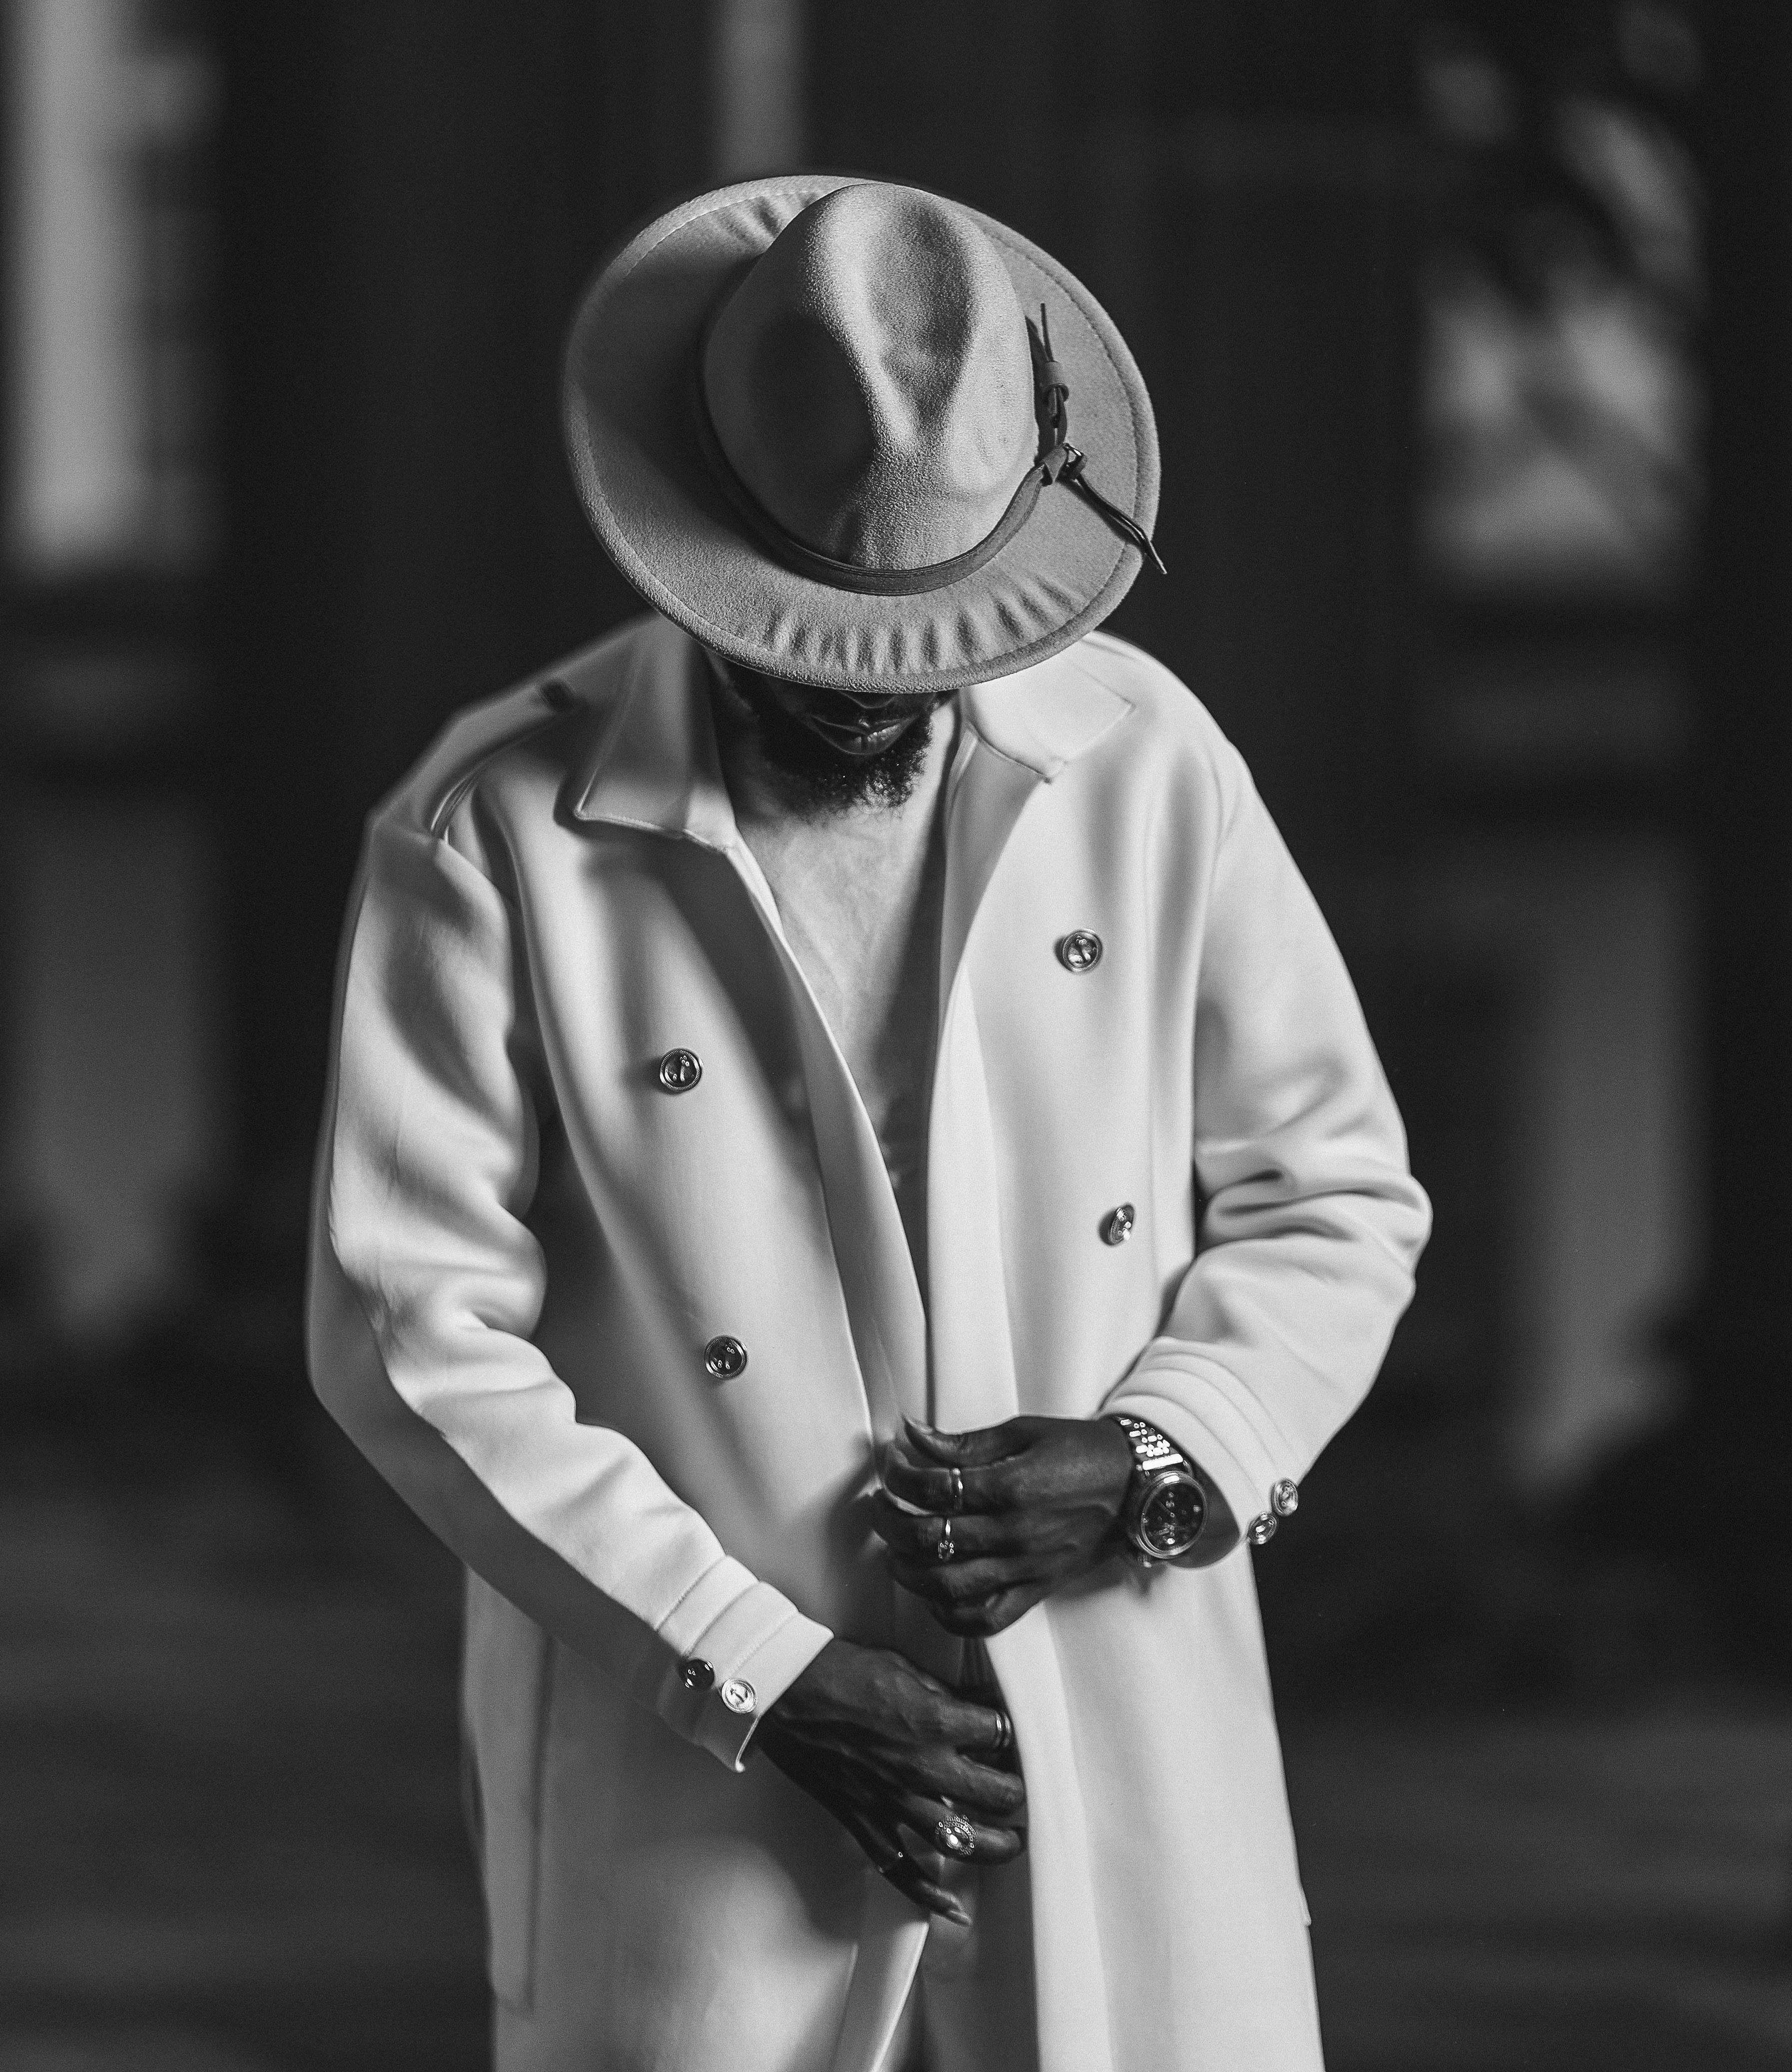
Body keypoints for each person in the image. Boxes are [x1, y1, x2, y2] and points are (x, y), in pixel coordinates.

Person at [307, 176, 1430, 2072]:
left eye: (936, 631)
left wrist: (1166, 1457)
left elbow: (1332, 1191)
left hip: (1112, 1729)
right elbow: (409, 1336)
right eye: (814, 636)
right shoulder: (488, 836)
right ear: (695, 553)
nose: (881, 696)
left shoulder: (1151, 764)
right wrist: (754, 1665)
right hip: (706, 1795)